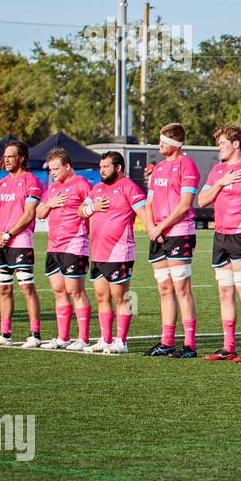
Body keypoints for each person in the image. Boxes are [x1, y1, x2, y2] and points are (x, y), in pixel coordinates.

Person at [197, 125, 241, 362]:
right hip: (220, 237)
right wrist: (220, 183)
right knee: (225, 292)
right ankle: (228, 347)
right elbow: (202, 200)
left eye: (222, 143)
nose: (219, 148)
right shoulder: (217, 171)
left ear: (236, 144)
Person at [81, 151, 151, 355]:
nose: (102, 171)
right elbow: (81, 210)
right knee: (101, 297)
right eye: (100, 167)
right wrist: (91, 208)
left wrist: (153, 231)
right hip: (98, 253)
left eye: (106, 167)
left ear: (118, 167)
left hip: (120, 252)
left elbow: (144, 211)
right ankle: (105, 339)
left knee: (121, 297)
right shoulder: (97, 188)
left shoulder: (129, 187)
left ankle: (122, 341)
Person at [143, 123, 201, 358]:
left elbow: (185, 204)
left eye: (163, 141)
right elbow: (148, 203)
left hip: (178, 232)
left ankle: (189, 345)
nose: (159, 145)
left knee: (182, 288)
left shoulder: (187, 166)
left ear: (176, 143)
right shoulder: (157, 170)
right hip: (158, 235)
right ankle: (166, 341)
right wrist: (150, 228)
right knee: (164, 288)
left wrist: (160, 227)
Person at [0, 141, 44, 348]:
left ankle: (34, 334)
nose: (6, 160)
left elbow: (28, 214)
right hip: (0, 243)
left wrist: (8, 234)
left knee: (26, 287)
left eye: (10, 156)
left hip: (20, 242)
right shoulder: (0, 184)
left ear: (21, 158)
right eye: (5, 156)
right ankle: (5, 334)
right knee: (3, 289)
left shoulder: (31, 181)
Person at [35, 148, 93, 351]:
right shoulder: (52, 189)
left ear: (67, 166)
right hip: (53, 246)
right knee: (59, 291)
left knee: (75, 291)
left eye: (56, 168)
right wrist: (49, 203)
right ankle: (63, 337)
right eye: (50, 169)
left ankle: (83, 338)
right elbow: (40, 213)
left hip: (74, 244)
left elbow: (91, 209)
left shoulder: (82, 184)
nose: (53, 172)